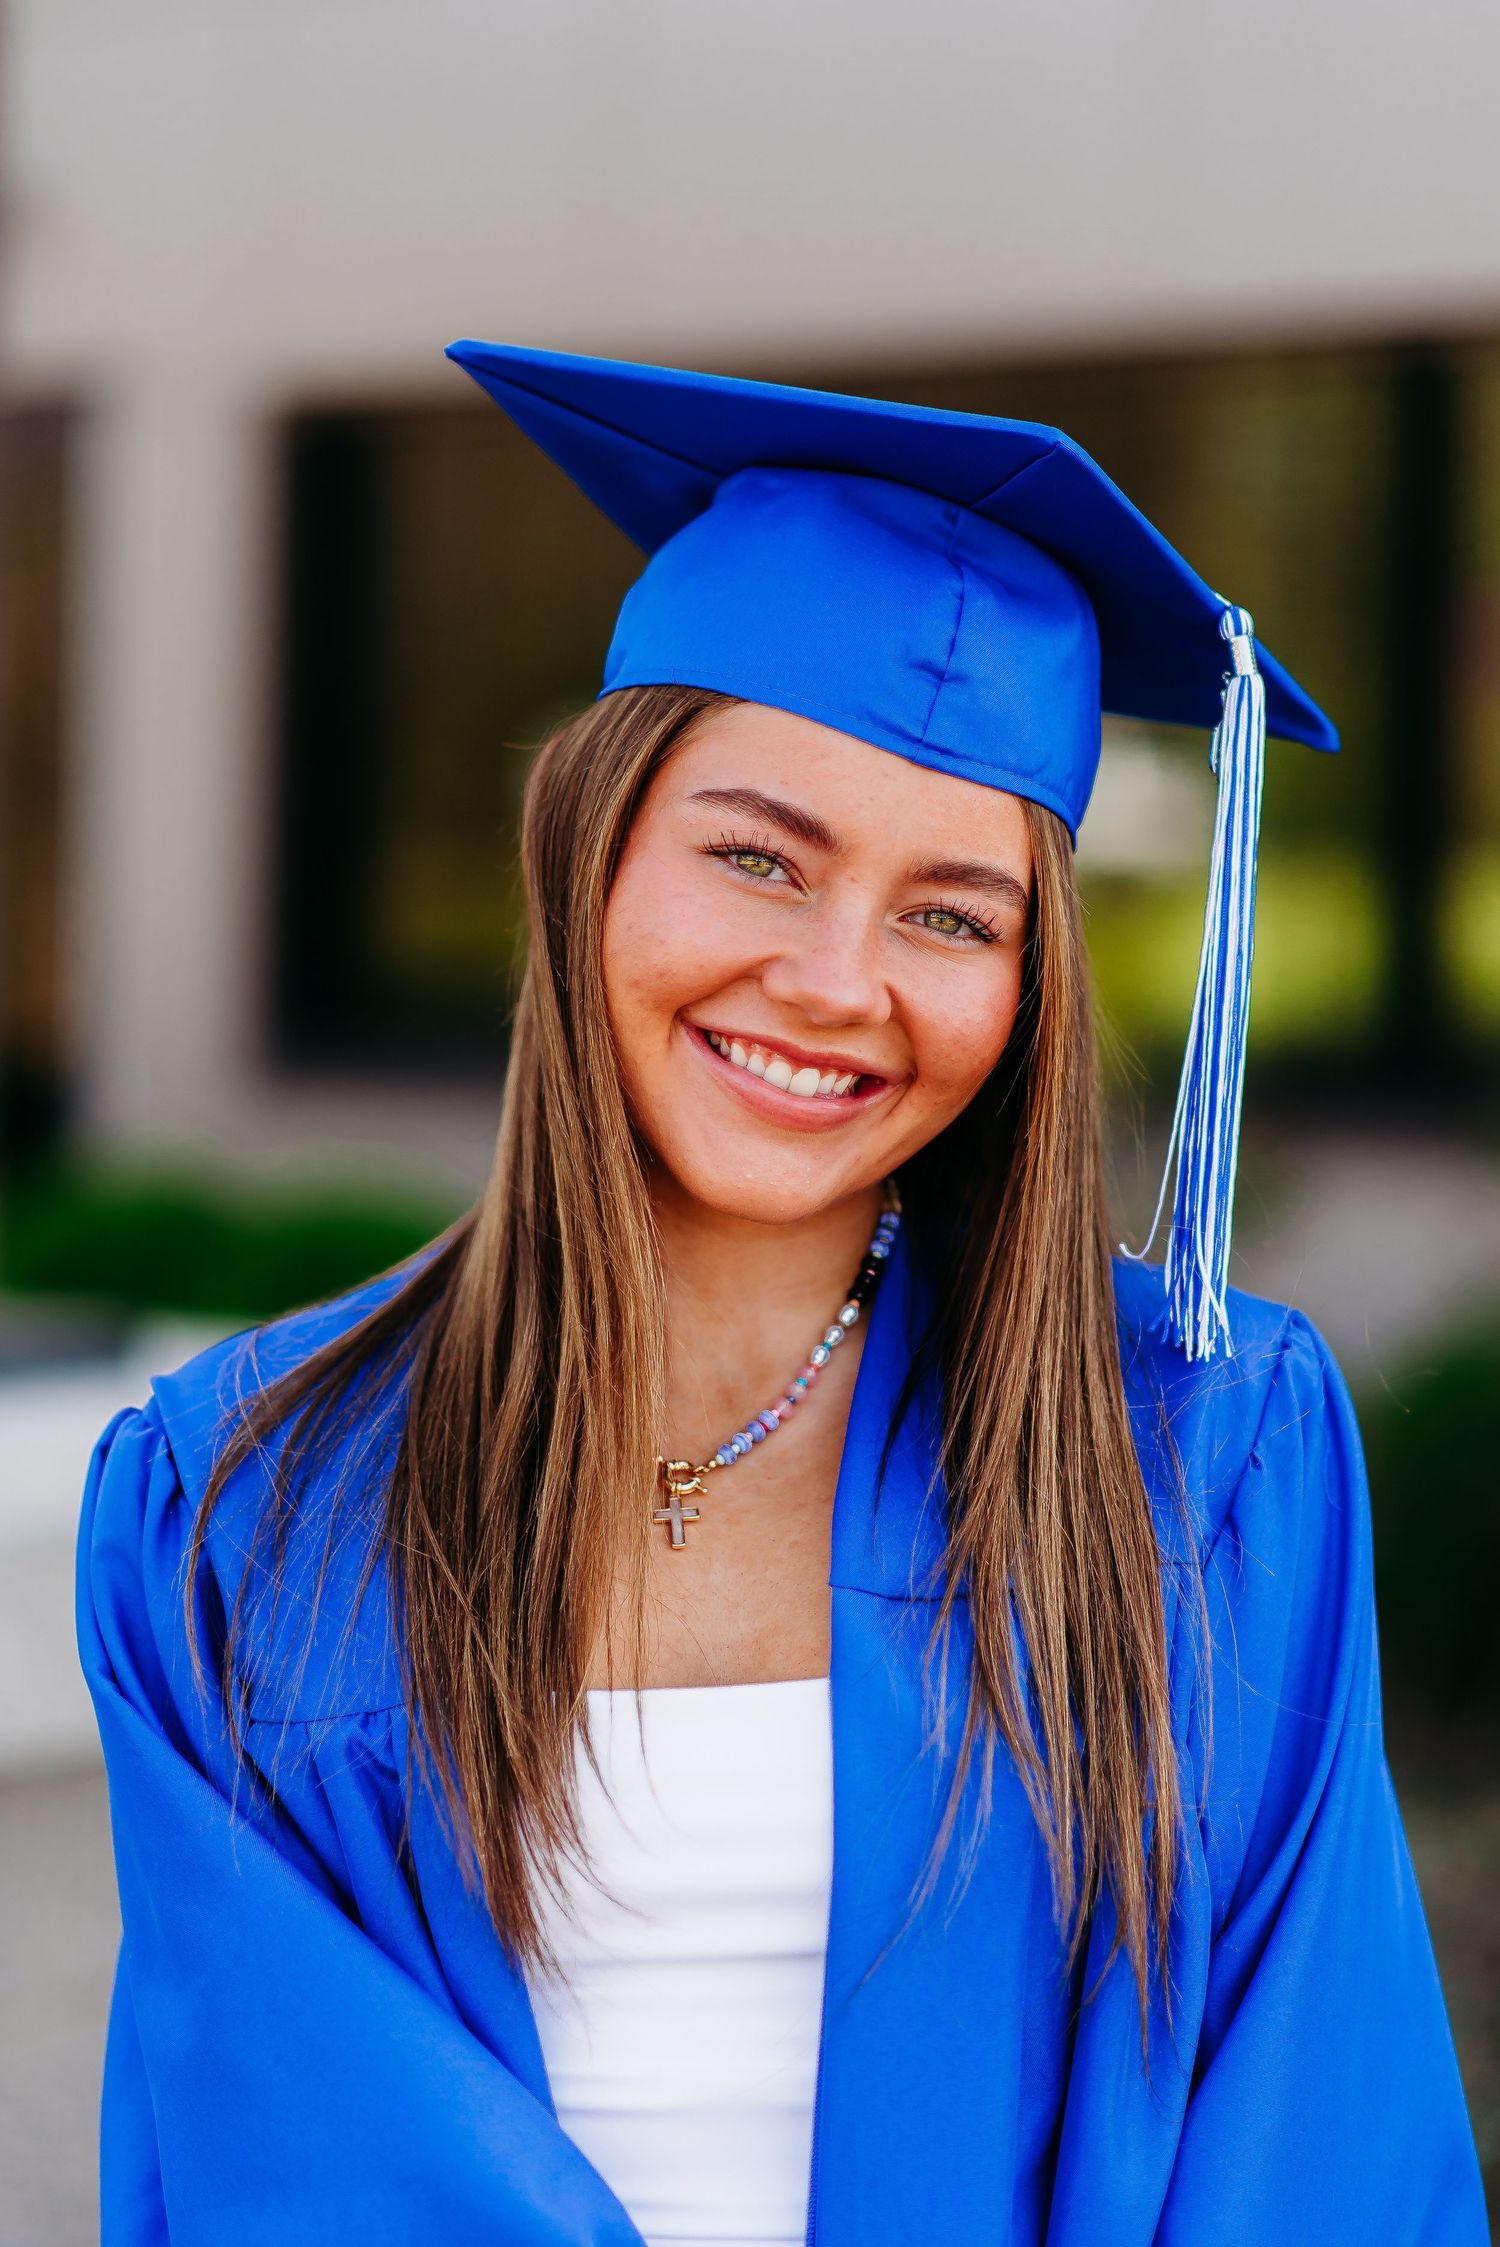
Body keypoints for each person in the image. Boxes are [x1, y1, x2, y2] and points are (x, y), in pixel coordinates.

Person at [76, 342, 1489, 2246]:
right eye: (757, 856)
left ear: (1031, 986)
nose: (838, 981)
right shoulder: (242, 1502)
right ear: (587, 856)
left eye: (951, 915)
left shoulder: (1198, 1468)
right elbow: (287, 2154)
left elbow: (1319, 2135)